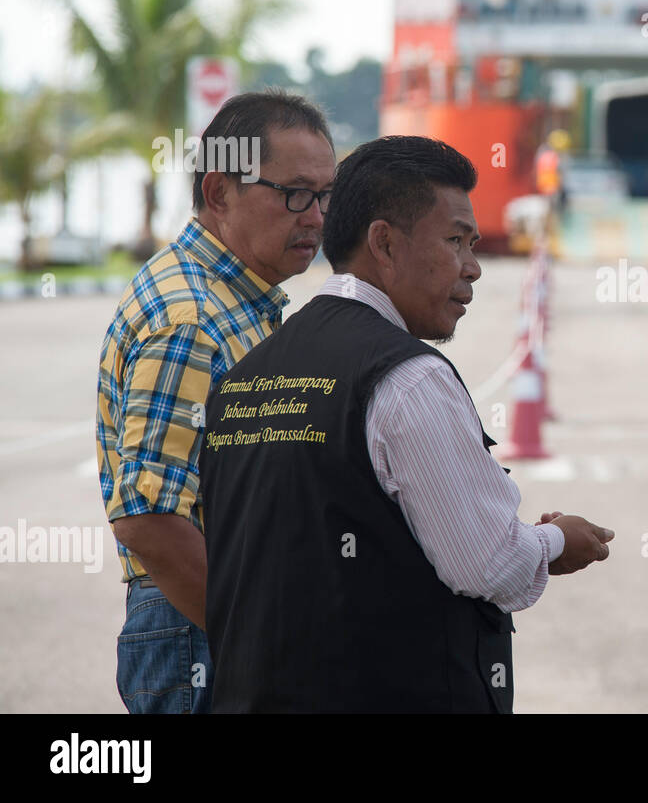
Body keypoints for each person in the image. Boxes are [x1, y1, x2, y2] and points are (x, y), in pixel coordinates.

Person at [199, 135, 614, 713]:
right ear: (385, 243)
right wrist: (553, 541)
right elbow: (488, 562)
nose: (472, 267)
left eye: (472, 244)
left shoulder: (248, 376)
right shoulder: (407, 378)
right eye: (454, 241)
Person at [96, 90, 335, 713]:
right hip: (197, 628)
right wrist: (253, 634)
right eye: (296, 194)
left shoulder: (237, 300)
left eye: (326, 196)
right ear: (219, 192)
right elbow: (148, 516)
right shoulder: (193, 319)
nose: (316, 217)